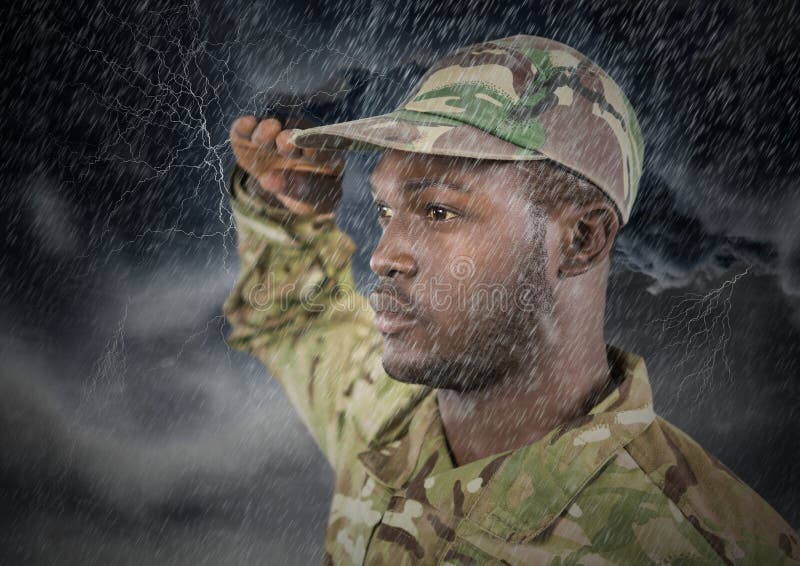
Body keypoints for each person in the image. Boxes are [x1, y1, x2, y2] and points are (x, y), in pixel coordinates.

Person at [224, 35, 798, 565]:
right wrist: (282, 208)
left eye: (439, 210)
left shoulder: (704, 547)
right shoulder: (394, 427)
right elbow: (296, 318)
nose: (383, 255)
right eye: (384, 210)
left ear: (581, 239)